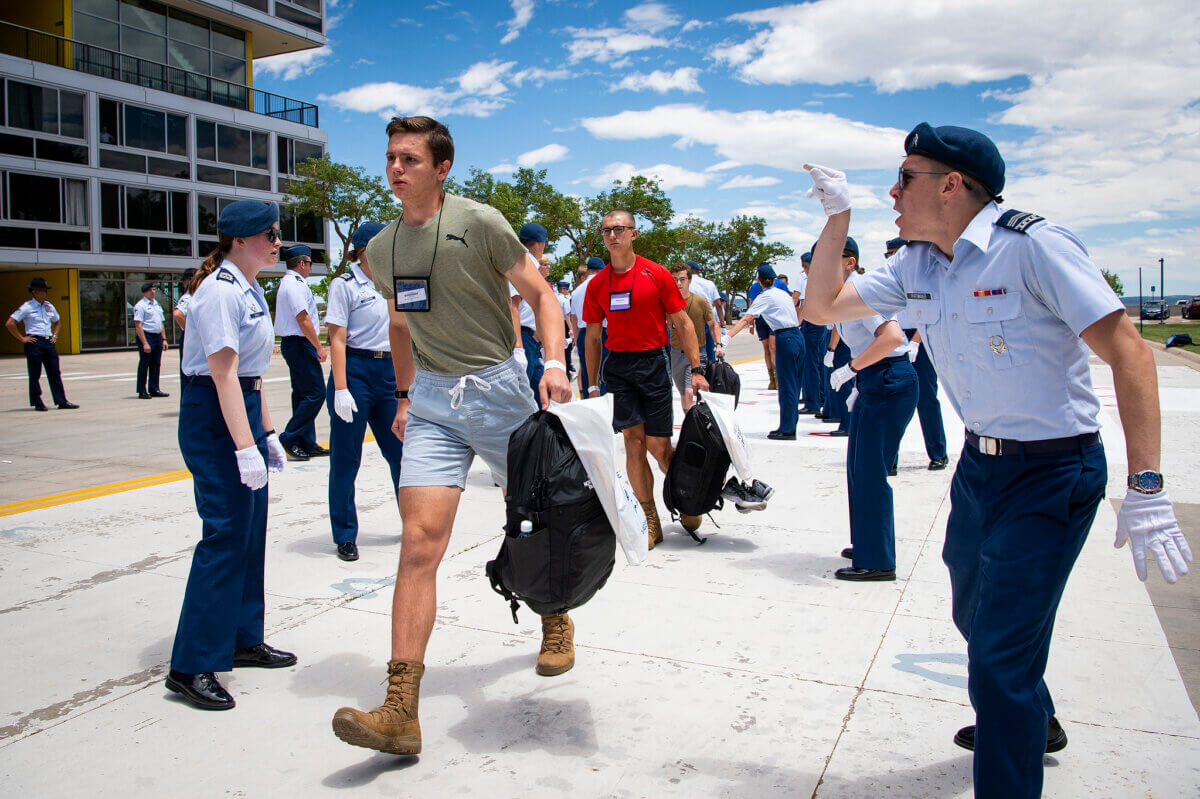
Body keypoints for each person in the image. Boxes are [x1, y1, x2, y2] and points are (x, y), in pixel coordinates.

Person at [801, 123, 1193, 799]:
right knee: (973, 615)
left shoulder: (1033, 247)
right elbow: (821, 304)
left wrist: (1148, 484)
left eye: (906, 179)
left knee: (998, 659)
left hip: (1052, 472)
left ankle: (1012, 733)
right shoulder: (918, 262)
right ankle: (1032, 720)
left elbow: (1129, 350)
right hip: (981, 471)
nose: (893, 192)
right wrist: (838, 217)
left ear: (952, 186)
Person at [331, 115, 572, 757]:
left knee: (534, 518)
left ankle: (554, 617)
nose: (395, 168)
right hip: (435, 400)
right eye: (390, 157)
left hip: (499, 390)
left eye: (410, 158)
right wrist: (408, 397)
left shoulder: (481, 223)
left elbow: (543, 296)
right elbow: (402, 327)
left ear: (441, 169)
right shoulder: (378, 251)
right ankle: (400, 710)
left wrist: (552, 364)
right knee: (418, 543)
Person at [167, 200, 295, 712]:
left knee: (249, 531)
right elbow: (222, 374)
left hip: (239, 407)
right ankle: (191, 663)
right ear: (240, 240)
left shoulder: (249, 289)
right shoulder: (219, 292)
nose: (277, 242)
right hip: (213, 414)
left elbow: (251, 374)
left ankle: (242, 637)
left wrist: (266, 434)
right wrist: (244, 446)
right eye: (270, 234)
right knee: (224, 535)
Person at [583, 210, 708, 544]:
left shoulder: (656, 274)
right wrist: (592, 384)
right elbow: (593, 338)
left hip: (653, 363)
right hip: (619, 368)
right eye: (606, 230)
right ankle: (649, 519)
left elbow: (682, 323)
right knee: (633, 444)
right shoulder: (596, 285)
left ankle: (688, 497)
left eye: (619, 229)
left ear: (633, 234)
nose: (612, 235)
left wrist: (696, 370)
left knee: (658, 446)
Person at [823, 236, 918, 582]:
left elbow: (892, 338)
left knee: (869, 471)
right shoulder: (844, 297)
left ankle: (878, 560)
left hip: (889, 382)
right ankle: (868, 542)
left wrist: (853, 369)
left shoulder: (863, 291)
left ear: (850, 262)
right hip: (875, 383)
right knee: (857, 469)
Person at [324, 222, 404, 563]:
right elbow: (337, 339)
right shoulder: (344, 285)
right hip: (354, 372)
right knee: (346, 460)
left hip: (389, 372)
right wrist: (341, 388)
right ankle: (344, 534)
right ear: (364, 249)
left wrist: (406, 388)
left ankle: (415, 523)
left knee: (402, 454)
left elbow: (405, 332)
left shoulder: (395, 282)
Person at [888, 237, 950, 470]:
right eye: (889, 254)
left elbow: (931, 314)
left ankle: (938, 453)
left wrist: (915, 343)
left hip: (919, 339)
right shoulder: (891, 281)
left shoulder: (923, 278)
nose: (892, 258)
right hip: (896, 337)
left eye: (895, 252)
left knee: (926, 399)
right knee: (894, 402)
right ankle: (890, 459)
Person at [726, 264, 803, 440]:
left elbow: (747, 317)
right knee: (795, 384)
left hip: (786, 338)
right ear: (774, 280)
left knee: (786, 386)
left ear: (759, 281)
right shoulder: (783, 294)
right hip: (798, 336)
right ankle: (789, 424)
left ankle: (787, 429)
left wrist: (728, 337)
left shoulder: (764, 297)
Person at [274, 245, 328, 461]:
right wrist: (318, 346)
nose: (310, 267)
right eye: (309, 263)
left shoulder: (291, 283)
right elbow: (302, 318)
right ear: (303, 263)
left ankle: (305, 441)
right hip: (299, 342)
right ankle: (289, 437)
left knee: (303, 394)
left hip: (294, 342)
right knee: (316, 393)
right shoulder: (294, 284)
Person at [6, 277, 78, 411]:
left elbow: (58, 322)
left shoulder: (49, 306)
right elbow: (10, 323)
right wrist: (22, 338)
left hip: (48, 342)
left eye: (46, 290)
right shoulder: (27, 307)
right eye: (43, 290)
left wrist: (55, 335)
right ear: (35, 292)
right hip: (34, 342)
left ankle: (61, 401)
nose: (46, 293)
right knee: (35, 374)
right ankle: (37, 402)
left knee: (55, 372)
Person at [668, 263, 723, 413]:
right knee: (685, 396)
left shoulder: (701, 302)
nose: (678, 283)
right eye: (674, 280)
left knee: (690, 394)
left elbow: (713, 324)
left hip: (697, 353)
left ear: (690, 281)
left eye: (682, 279)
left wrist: (718, 344)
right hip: (676, 354)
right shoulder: (667, 303)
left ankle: (695, 430)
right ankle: (691, 427)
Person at [511, 222, 549, 401]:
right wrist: (518, 347)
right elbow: (513, 305)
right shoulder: (525, 265)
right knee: (524, 397)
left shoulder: (530, 265)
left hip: (532, 338)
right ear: (541, 244)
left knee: (539, 394)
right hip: (524, 338)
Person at [798, 252, 830, 419]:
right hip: (823, 324)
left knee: (810, 365)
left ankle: (812, 402)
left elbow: (804, 305)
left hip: (811, 324)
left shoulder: (809, 280)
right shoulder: (826, 278)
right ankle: (821, 397)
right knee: (820, 363)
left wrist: (796, 325)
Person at [570, 256, 607, 395]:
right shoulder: (604, 285)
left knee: (586, 372)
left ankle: (587, 402)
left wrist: (577, 339)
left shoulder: (576, 291)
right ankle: (604, 405)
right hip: (602, 332)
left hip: (583, 334)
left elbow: (574, 319)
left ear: (588, 270)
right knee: (604, 372)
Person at [747, 268, 789, 389]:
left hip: (775, 318)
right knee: (766, 349)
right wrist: (751, 324)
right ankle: (772, 378)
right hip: (761, 320)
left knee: (773, 347)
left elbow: (787, 299)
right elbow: (752, 305)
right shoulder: (755, 287)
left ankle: (778, 377)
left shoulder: (780, 284)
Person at [134, 282, 169, 399]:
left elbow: (161, 323)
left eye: (154, 289)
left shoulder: (157, 305)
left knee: (156, 364)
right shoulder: (141, 305)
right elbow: (138, 325)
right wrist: (144, 343)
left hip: (157, 336)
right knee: (145, 364)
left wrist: (164, 339)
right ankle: (142, 390)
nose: (153, 292)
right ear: (145, 292)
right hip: (147, 336)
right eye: (150, 290)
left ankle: (154, 388)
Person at [687, 261, 723, 361]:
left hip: (689, 320)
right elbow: (718, 305)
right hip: (707, 321)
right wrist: (722, 324)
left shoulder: (684, 283)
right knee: (709, 355)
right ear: (697, 271)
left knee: (690, 355)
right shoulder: (709, 283)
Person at [174, 268, 198, 382]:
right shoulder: (188, 297)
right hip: (190, 337)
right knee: (188, 373)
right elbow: (178, 314)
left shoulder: (197, 296)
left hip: (195, 337)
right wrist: (191, 331)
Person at [556, 280, 576, 376]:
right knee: (567, 347)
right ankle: (568, 368)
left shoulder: (554, 298)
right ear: (563, 290)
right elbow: (567, 316)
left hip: (555, 323)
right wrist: (571, 329)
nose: (568, 291)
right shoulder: (565, 300)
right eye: (567, 289)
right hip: (564, 324)